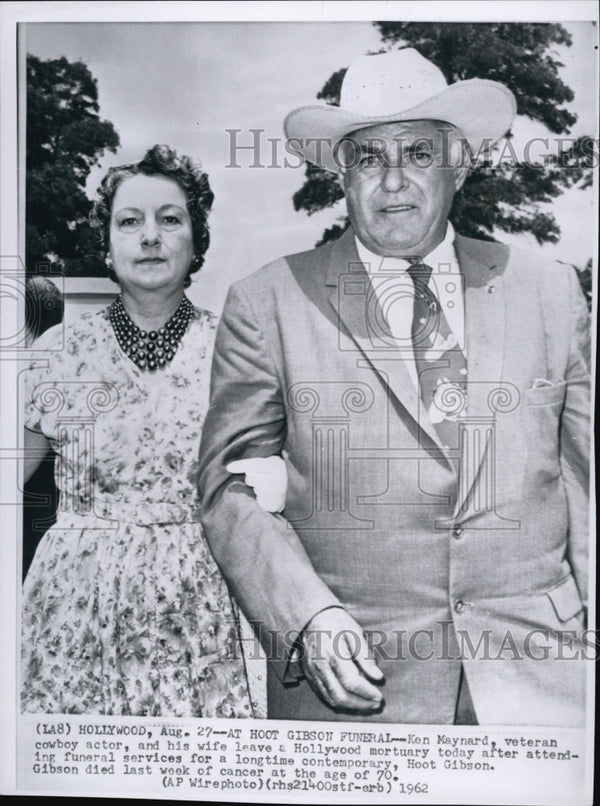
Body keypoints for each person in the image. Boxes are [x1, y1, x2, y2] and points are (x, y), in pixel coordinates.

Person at [198, 50, 591, 725]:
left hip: (542, 685)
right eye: (369, 159)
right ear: (341, 176)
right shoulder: (267, 302)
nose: (393, 182)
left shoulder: (551, 290)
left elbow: (587, 480)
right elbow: (228, 488)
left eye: (416, 153)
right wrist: (306, 613)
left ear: (459, 165)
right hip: (357, 695)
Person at [21, 144, 274, 716]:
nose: (150, 236)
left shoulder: (238, 349)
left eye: (171, 219)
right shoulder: (58, 352)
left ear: (196, 240)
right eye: (130, 221)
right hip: (73, 609)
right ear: (107, 247)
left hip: (202, 608)